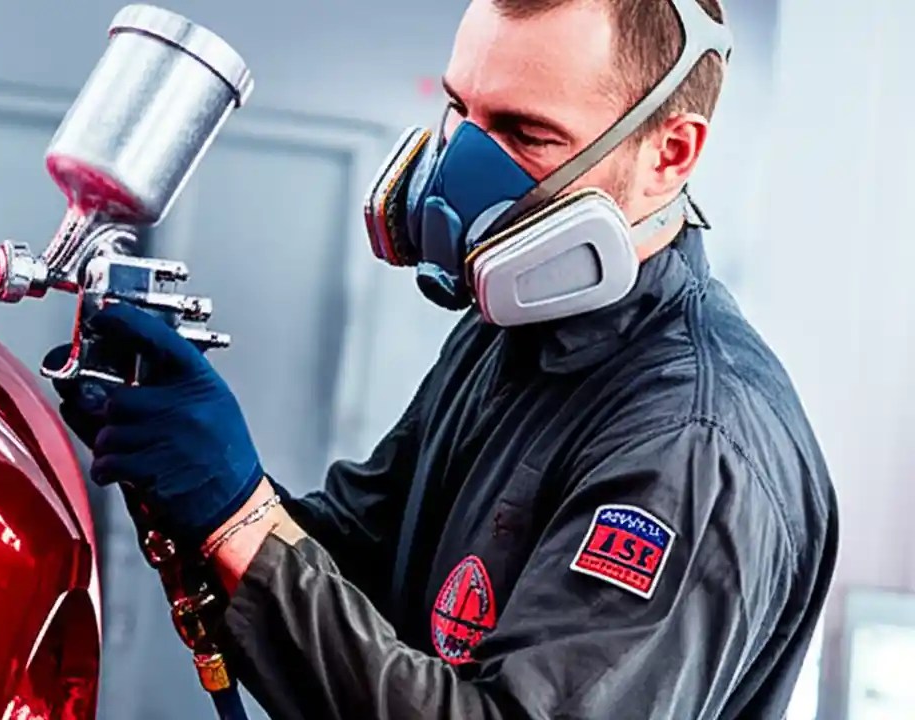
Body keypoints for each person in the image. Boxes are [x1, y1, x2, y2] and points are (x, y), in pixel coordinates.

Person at [46, 0, 838, 716]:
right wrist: (201, 487)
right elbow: (358, 571)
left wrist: (236, 520)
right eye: (461, 109)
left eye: (526, 133)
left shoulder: (690, 445)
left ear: (671, 153)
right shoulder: (514, 336)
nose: (459, 169)